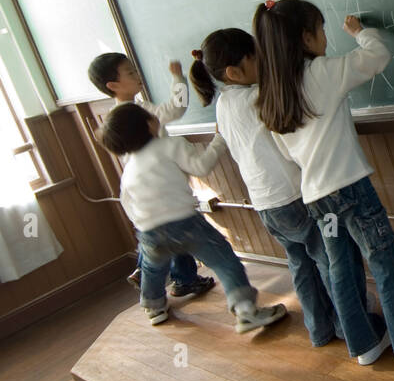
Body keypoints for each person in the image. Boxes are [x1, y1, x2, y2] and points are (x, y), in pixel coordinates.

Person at [253, 0, 394, 368]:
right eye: (321, 30)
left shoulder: (271, 95)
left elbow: (286, 153)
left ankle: (364, 344)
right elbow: (376, 57)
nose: (326, 38)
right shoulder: (323, 72)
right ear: (305, 37)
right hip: (351, 188)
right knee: (383, 263)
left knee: (341, 269)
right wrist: (361, 32)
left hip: (316, 196)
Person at [189, 27, 350, 346]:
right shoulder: (258, 97)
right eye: (257, 57)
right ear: (234, 72)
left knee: (301, 264)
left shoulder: (224, 104)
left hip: (265, 205)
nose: (265, 61)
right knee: (327, 260)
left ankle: (319, 329)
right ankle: (349, 327)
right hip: (293, 196)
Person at [99, 102, 287, 333]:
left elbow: (126, 201)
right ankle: (246, 311)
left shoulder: (129, 167)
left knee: (152, 268)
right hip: (185, 223)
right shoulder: (169, 145)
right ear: (149, 124)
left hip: (149, 230)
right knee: (224, 260)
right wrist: (220, 139)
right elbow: (201, 166)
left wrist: (144, 227)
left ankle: (154, 307)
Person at [88, 51, 213, 301]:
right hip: (161, 182)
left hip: (148, 187)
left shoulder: (120, 115)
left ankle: (171, 277)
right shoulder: (136, 113)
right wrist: (178, 78)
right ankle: (179, 280)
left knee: (164, 232)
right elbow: (175, 109)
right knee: (176, 228)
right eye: (130, 72)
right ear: (113, 85)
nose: (138, 75)